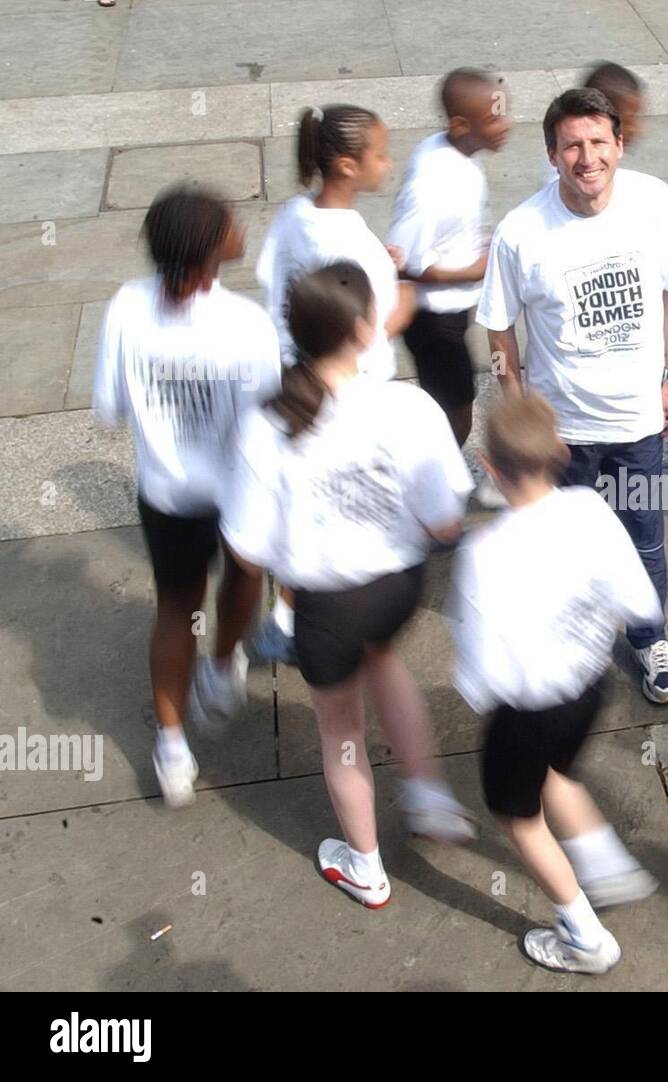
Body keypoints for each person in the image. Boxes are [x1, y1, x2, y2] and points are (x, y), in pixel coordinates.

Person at [222, 262, 476, 909]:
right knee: (384, 658)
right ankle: (427, 792)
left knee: (341, 734)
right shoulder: (408, 406)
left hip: (325, 609)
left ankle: (366, 867)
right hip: (397, 588)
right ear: (367, 330)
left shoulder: (266, 423)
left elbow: (247, 550)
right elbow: (447, 520)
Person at [477, 87, 668, 706]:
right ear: (551, 154)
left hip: (637, 424)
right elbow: (498, 326)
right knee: (563, 543)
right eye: (572, 146)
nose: (588, 159)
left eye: (599, 143)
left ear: (619, 145)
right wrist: (521, 406)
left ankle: (650, 638)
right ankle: (566, 641)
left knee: (645, 539)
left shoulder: (656, 203)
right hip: (564, 432)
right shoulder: (520, 232)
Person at [449, 393, 663, 974]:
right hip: (590, 686)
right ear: (561, 452)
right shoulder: (591, 511)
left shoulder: (484, 551)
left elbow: (480, 672)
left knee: (518, 816)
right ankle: (605, 863)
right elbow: (640, 601)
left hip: (528, 710)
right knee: (557, 773)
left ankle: (584, 935)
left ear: (490, 469)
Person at [92, 187, 281, 808]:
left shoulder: (125, 308)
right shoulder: (246, 324)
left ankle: (171, 748)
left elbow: (110, 409)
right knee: (245, 576)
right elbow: (264, 423)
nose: (242, 226)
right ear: (212, 253)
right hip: (236, 491)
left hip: (166, 494)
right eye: (232, 224)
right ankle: (224, 667)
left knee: (175, 609)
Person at [251, 103, 417, 666]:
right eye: (380, 154)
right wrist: (406, 299)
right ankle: (309, 624)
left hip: (295, 378)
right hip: (351, 393)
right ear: (347, 165)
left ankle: (282, 613)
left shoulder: (295, 216)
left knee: (299, 506)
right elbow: (370, 331)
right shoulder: (357, 247)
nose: (388, 163)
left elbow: (273, 286)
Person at [387, 68, 511, 449]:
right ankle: (433, 476)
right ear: (460, 125)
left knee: (453, 401)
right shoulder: (433, 184)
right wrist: (475, 268)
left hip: (451, 313)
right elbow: (403, 261)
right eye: (495, 118)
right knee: (455, 411)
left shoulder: (459, 153)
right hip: (433, 321)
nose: (507, 124)